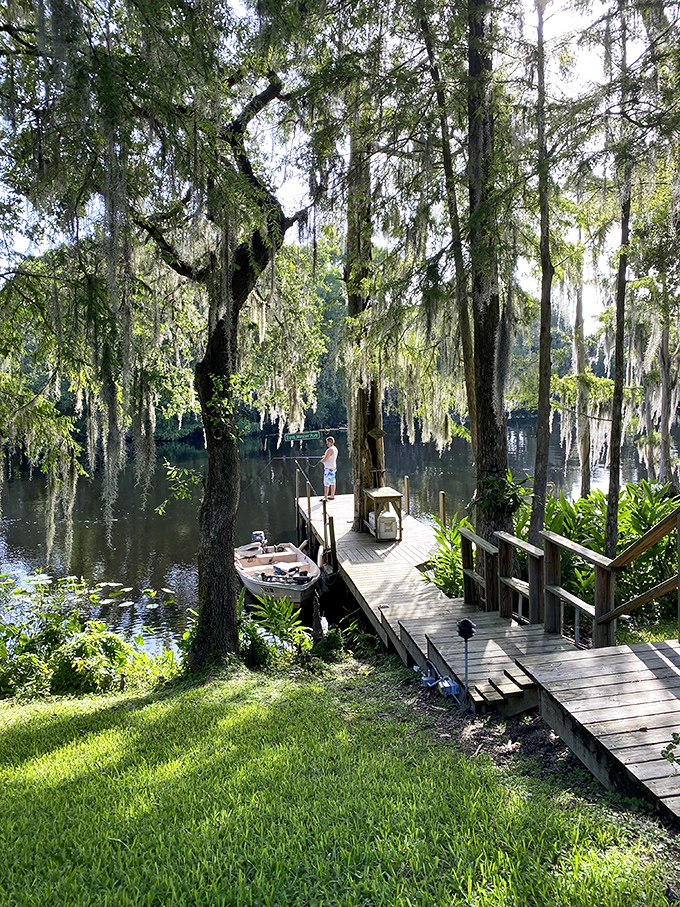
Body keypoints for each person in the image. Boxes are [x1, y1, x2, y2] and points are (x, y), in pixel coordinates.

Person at [320, 436, 338, 501]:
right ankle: (332, 495)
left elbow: (325, 459)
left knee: (326, 483)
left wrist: (322, 460)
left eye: (327, 442)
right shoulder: (335, 448)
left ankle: (325, 497)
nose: (327, 443)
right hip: (333, 467)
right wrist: (324, 457)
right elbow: (330, 456)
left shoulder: (330, 449)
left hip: (328, 468)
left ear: (330, 442)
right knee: (333, 482)